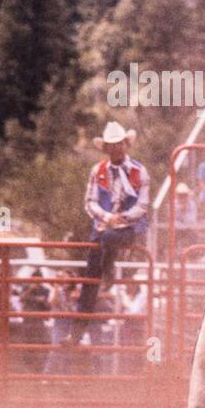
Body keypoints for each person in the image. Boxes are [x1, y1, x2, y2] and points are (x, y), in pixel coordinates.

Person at [72, 122, 149, 343]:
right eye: (112, 145)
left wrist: (122, 219)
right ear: (106, 148)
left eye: (119, 144)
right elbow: (90, 202)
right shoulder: (98, 171)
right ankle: (77, 333)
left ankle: (108, 271)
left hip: (127, 227)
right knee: (90, 278)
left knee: (107, 240)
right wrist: (107, 218)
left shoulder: (139, 171)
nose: (116, 148)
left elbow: (142, 206)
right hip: (104, 225)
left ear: (126, 145)